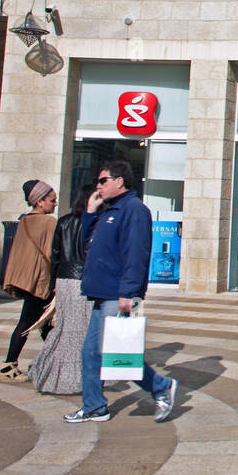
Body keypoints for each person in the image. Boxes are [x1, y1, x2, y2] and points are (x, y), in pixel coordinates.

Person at [66, 161, 177, 424]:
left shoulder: (134, 210)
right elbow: (89, 244)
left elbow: (136, 253)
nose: (98, 185)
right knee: (92, 353)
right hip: (101, 292)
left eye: (103, 180)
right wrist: (90, 213)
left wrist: (130, 292)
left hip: (117, 293)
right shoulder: (108, 210)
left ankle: (160, 386)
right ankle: (94, 406)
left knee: (117, 352)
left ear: (120, 181)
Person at [29, 185, 96, 395]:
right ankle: (69, 378)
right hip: (83, 281)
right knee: (81, 332)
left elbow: (55, 255)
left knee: (65, 328)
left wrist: (53, 285)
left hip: (64, 280)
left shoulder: (64, 222)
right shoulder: (92, 225)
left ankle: (48, 371)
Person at [0, 180, 58, 381]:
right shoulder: (49, 222)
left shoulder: (24, 220)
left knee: (43, 325)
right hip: (42, 282)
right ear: (40, 201)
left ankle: (54, 364)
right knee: (30, 323)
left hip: (28, 281)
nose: (55, 203)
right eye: (52, 200)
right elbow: (53, 254)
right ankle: (8, 365)